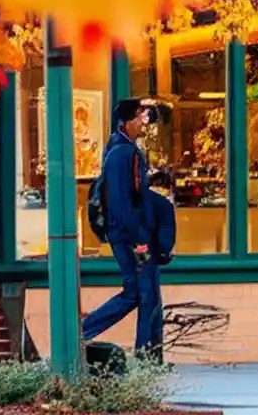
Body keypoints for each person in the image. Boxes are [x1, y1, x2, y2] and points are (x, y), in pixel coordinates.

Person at [81, 99, 164, 360]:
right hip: (130, 237)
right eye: (140, 117)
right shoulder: (121, 154)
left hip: (133, 234)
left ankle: (149, 356)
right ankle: (82, 333)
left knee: (146, 292)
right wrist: (139, 238)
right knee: (139, 292)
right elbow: (120, 202)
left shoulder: (124, 149)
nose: (144, 122)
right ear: (127, 120)